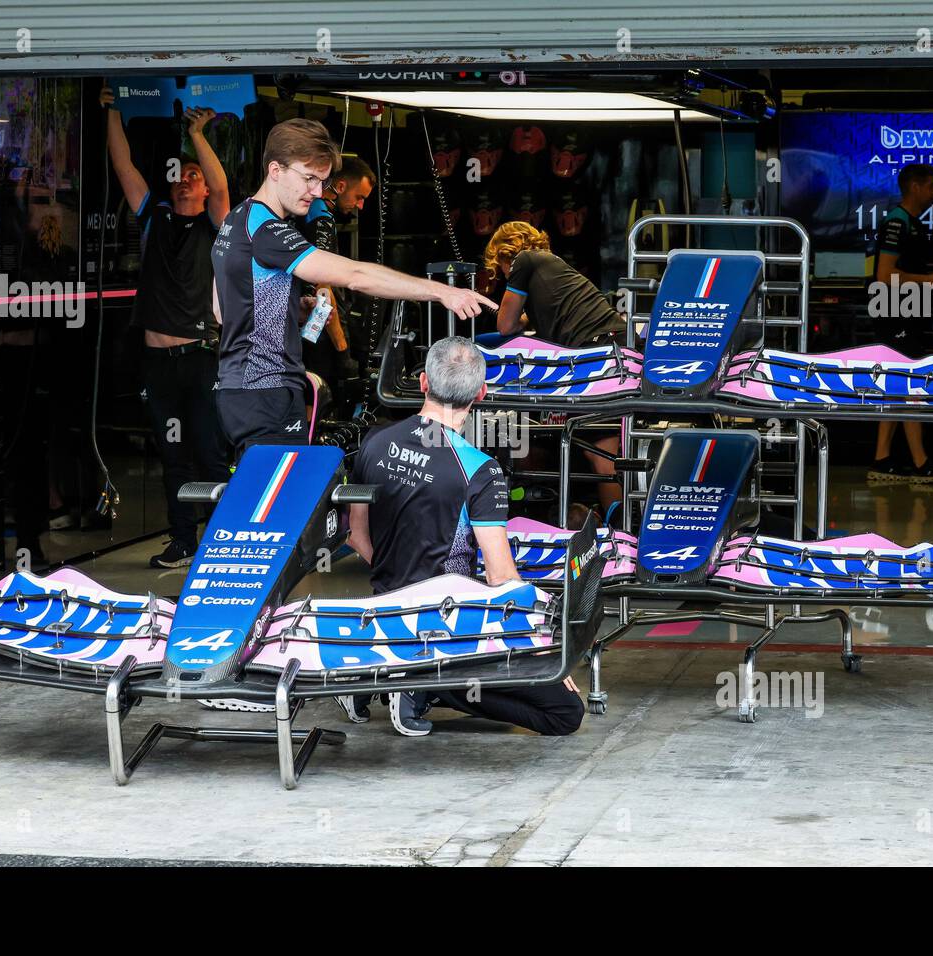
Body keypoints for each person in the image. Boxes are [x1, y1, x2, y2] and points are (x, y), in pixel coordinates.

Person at [346, 336, 585, 737]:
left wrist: (399, 580)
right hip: (447, 623)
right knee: (566, 713)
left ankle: (386, 674)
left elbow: (355, 536)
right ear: (481, 393)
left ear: (423, 383)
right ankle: (417, 682)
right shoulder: (480, 469)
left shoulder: (374, 442)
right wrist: (544, 654)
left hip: (384, 610)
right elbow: (500, 577)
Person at [211, 120, 493, 452]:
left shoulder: (236, 220)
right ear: (275, 169)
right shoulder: (268, 230)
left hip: (237, 388)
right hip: (265, 391)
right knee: (280, 500)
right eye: (309, 178)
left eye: (322, 181)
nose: (317, 192)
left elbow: (221, 309)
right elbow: (355, 276)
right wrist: (441, 291)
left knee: (264, 495)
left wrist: (292, 310)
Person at [102, 86, 232, 569]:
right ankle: (183, 541)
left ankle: (222, 542)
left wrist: (198, 135)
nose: (184, 182)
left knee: (210, 454)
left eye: (191, 177)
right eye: (178, 176)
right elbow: (124, 168)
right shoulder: (154, 218)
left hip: (201, 357)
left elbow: (221, 190)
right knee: (171, 454)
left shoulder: (215, 228)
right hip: (158, 362)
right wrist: (111, 110)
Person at [482, 221, 627, 513]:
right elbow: (522, 323)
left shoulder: (524, 261)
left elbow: (506, 324)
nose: (501, 276)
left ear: (504, 254)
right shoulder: (549, 266)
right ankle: (621, 527)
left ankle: (618, 533)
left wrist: (487, 304)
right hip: (612, 350)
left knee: (602, 456)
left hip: (596, 353)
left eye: (499, 269)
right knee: (604, 454)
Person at [867, 164, 933, 483]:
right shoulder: (897, 222)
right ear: (915, 187)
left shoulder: (912, 223)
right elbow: (884, 275)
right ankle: (920, 463)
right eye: (931, 186)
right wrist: (930, 280)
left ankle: (882, 459)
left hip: (906, 312)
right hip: (893, 312)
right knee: (911, 384)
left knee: (895, 386)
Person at [302, 155, 377, 396]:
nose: (360, 206)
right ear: (341, 186)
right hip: (314, 332)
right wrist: (342, 350)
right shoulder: (320, 217)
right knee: (320, 401)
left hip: (304, 327)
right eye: (359, 197)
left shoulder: (310, 209)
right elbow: (321, 286)